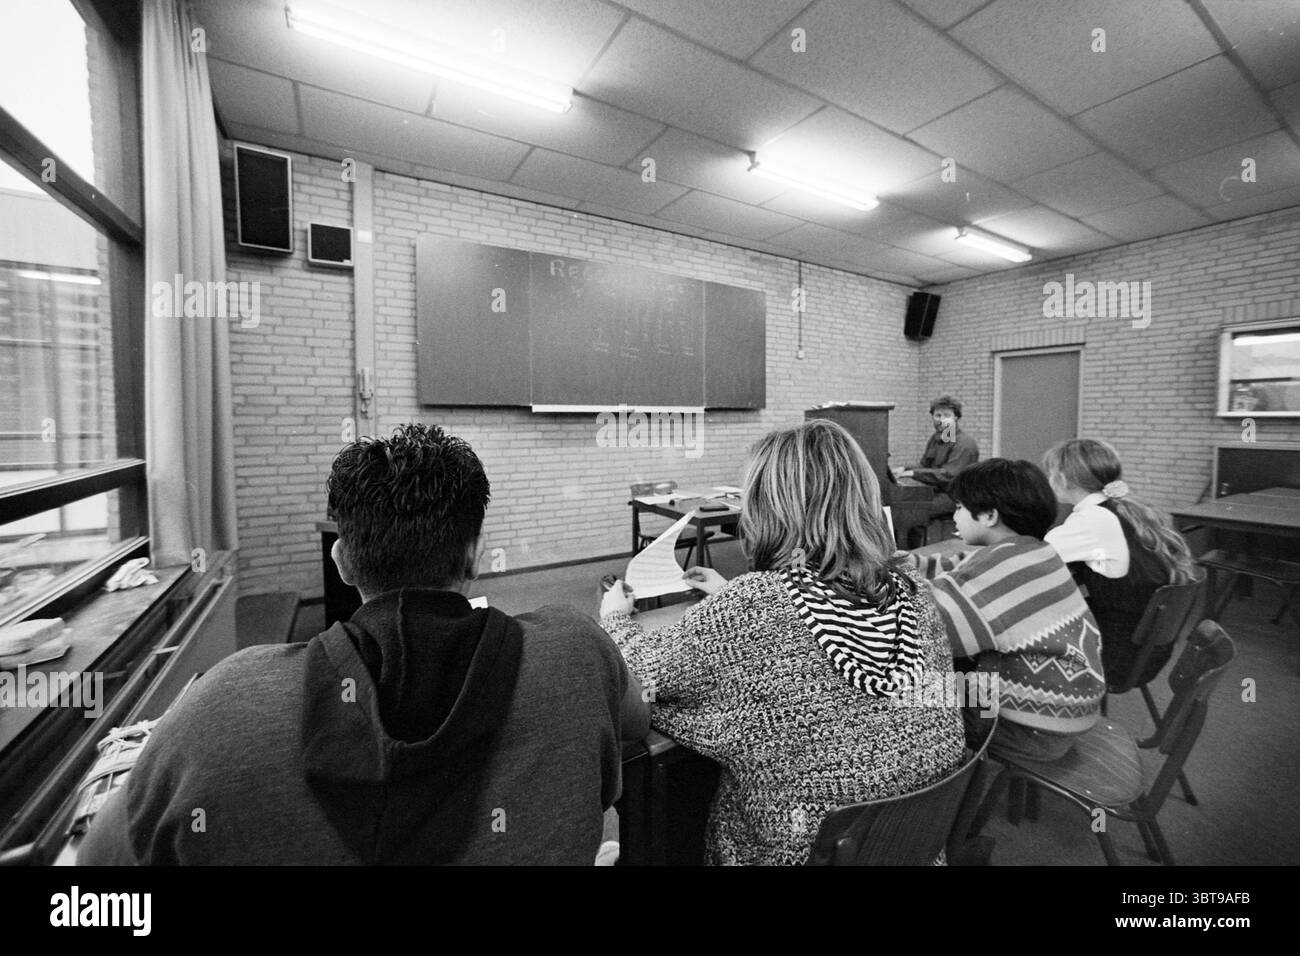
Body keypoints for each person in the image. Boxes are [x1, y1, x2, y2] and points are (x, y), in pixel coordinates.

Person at [79, 423, 648, 865]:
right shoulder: (578, 651)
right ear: (476, 554)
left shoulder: (219, 705)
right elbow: (636, 726)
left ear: (342, 561)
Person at [600, 419, 966, 866]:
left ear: (765, 508)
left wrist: (616, 618)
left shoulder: (756, 607)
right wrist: (735, 597)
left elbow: (637, 676)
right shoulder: (912, 590)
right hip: (913, 850)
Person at [909, 459, 1105, 763]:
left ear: (989, 515)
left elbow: (927, 627)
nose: (955, 515)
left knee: (900, 691)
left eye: (959, 507)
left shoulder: (995, 574)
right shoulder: (1033, 551)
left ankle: (930, 786)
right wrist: (906, 565)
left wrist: (875, 586)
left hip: (1024, 728)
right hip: (1066, 712)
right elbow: (962, 565)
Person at [1041, 438, 1200, 686]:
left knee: (998, 645)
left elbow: (1031, 559)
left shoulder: (1092, 519)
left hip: (1113, 660)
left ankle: (984, 719)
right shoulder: (1124, 509)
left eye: (1051, 472)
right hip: (1143, 653)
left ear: (1063, 478)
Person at [897, 395, 980, 546]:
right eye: (938, 415)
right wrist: (905, 468)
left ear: (956, 418)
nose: (941, 420)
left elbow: (948, 475)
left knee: (909, 512)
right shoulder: (937, 439)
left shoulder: (964, 444)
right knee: (901, 505)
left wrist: (913, 473)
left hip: (955, 498)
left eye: (947, 415)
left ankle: (910, 555)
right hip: (937, 492)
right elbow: (925, 465)